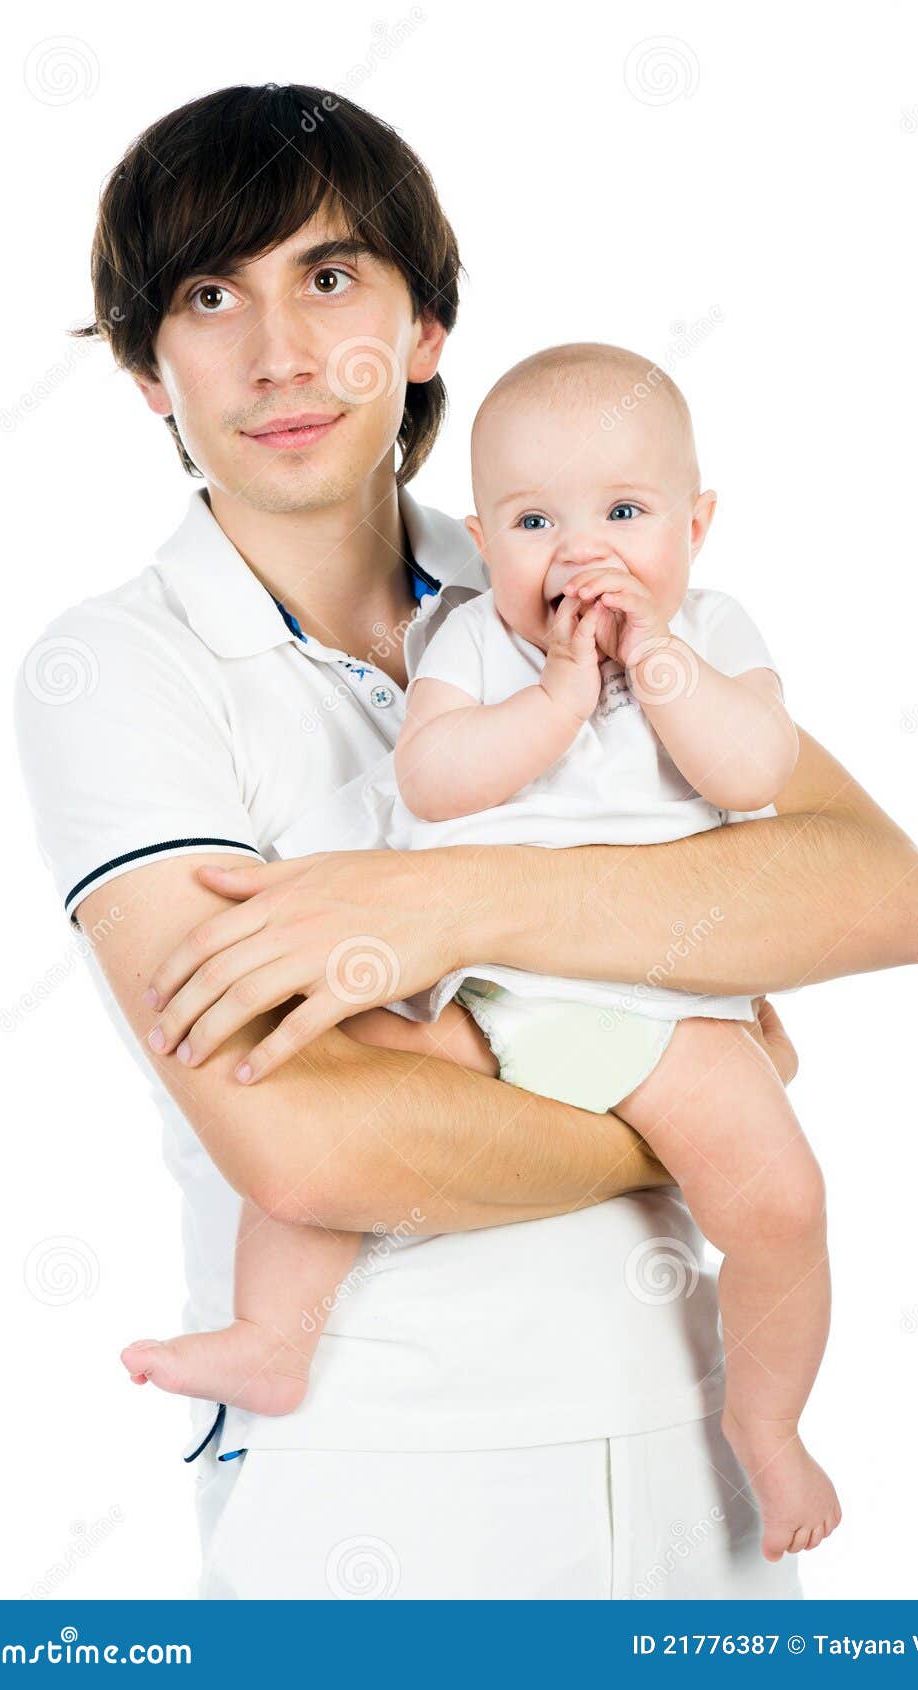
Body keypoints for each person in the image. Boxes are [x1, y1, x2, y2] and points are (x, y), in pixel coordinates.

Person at [15, 83, 918, 1600]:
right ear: (145, 367)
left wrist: (447, 904)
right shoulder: (124, 669)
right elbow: (309, 1142)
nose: (280, 353)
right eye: (206, 296)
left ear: (428, 325)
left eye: (328, 278)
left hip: (692, 1467)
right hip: (384, 1485)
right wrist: (700, 1110)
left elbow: (883, 893)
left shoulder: (567, 556)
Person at [121, 341, 839, 1564]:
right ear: (481, 535)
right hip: (509, 996)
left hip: (668, 1007)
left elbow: (755, 771)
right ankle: (273, 1338)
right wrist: (559, 697)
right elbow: (436, 780)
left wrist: (657, 665)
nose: (582, 549)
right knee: (314, 1089)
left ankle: (767, 1421)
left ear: (698, 524)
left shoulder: (714, 631)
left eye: (625, 513)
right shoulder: (473, 642)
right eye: (533, 520)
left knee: (782, 1204)